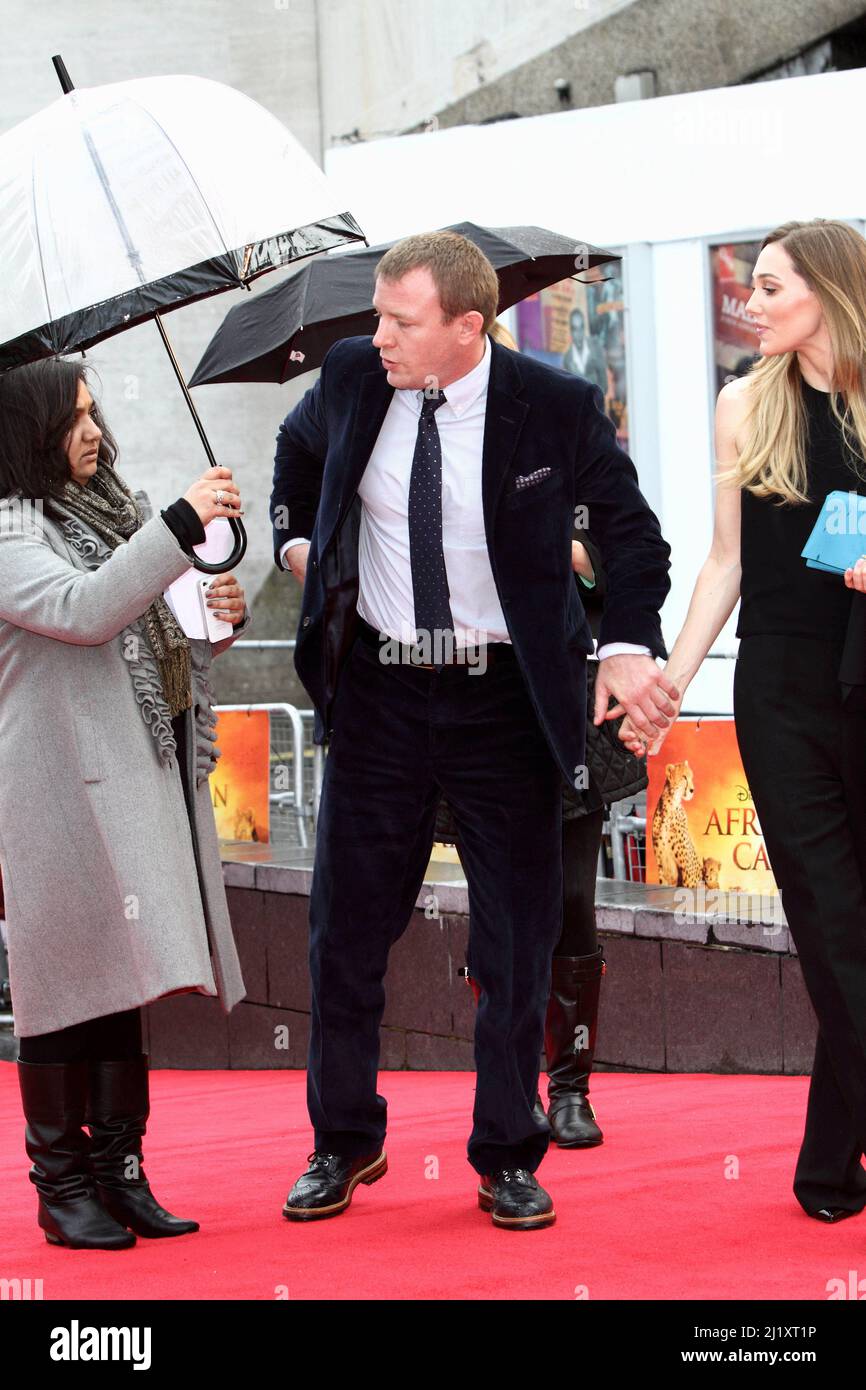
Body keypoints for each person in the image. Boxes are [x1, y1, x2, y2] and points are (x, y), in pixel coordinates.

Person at [271, 230, 675, 1231]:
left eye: (400, 321)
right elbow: (298, 446)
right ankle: (344, 1139)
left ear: (467, 325)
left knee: (512, 942)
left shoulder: (554, 406)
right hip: (376, 694)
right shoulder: (355, 375)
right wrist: (294, 535)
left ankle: (505, 1150)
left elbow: (632, 537)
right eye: (375, 315)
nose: (378, 336)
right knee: (342, 936)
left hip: (502, 703)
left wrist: (625, 642)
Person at [620, 217, 866, 1224]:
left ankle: (822, 1166)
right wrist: (672, 679)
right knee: (831, 927)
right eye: (747, 287)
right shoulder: (742, 402)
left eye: (768, 288)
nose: (749, 304)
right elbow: (723, 558)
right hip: (777, 690)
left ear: (827, 291)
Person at [0, 358, 250, 1250]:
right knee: (64, 987)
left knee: (120, 986)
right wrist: (181, 524)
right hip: (56, 793)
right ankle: (59, 1183)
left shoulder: (110, 513)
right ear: (29, 433)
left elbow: (153, 630)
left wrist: (213, 614)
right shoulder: (10, 529)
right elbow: (86, 607)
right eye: (73, 419)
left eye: (95, 411)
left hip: (131, 774)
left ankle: (120, 1172)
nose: (94, 431)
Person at [436, 326, 649, 1149]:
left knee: (568, 901)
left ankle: (571, 1086)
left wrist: (558, 548)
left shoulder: (562, 420)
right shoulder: (418, 440)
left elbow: (619, 542)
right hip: (464, 705)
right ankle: (509, 1087)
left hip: (560, 704)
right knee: (498, 911)